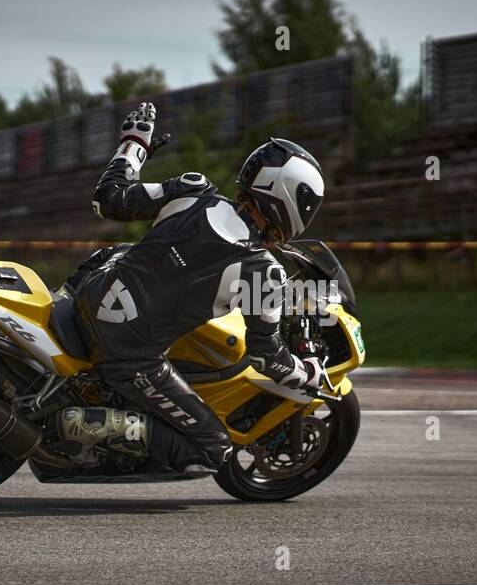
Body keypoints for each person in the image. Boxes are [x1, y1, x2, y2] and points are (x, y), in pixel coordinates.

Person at [68, 102, 328, 474]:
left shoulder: (193, 189)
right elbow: (265, 358)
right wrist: (306, 373)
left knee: (123, 251)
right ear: (289, 200)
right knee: (212, 450)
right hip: (125, 354)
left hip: (86, 297)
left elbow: (108, 200)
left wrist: (134, 143)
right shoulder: (261, 270)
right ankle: (83, 423)